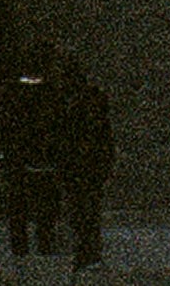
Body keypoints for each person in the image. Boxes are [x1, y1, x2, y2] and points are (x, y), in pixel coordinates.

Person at [0, 57, 63, 259]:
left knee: (29, 202)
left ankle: (30, 244)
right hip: (33, 155)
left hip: (32, 155)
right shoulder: (49, 94)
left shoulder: (16, 95)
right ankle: (38, 242)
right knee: (36, 201)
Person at [53, 60, 115, 271]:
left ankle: (88, 251)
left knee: (84, 210)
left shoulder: (81, 102)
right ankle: (87, 251)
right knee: (83, 210)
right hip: (82, 164)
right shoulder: (85, 101)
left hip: (84, 164)